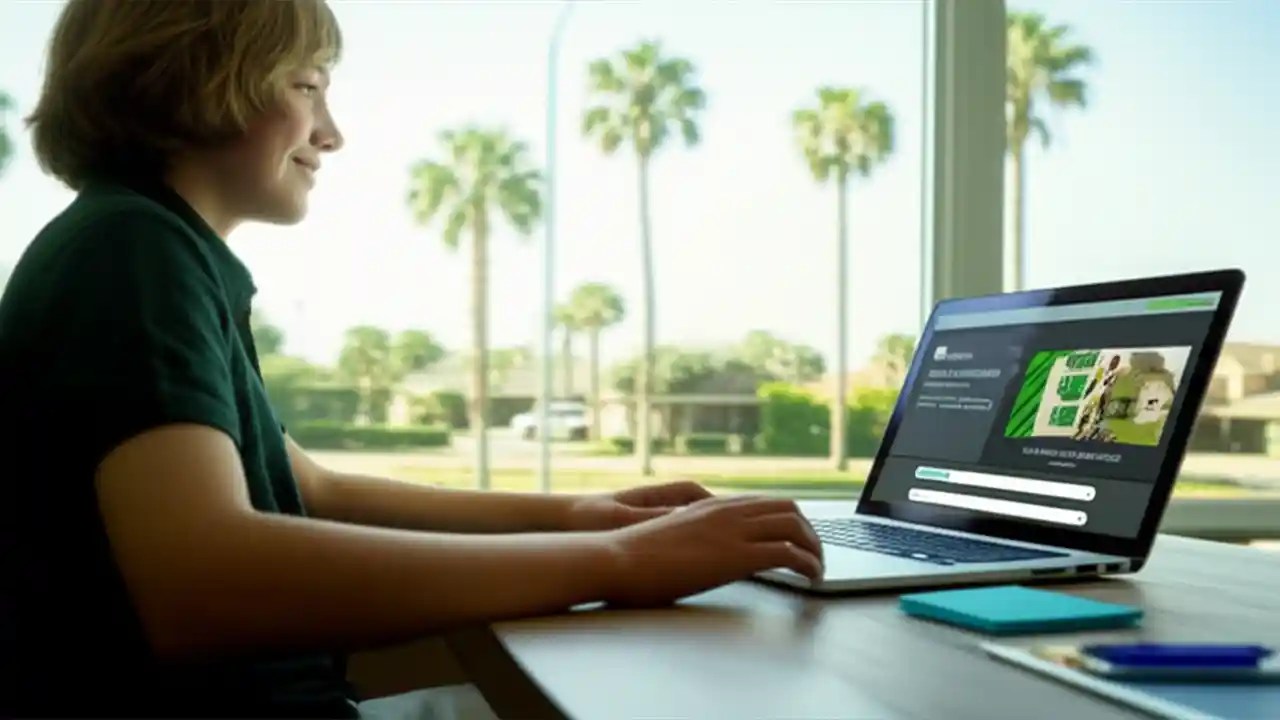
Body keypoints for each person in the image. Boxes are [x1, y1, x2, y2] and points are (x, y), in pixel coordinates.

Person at [0, 1, 824, 718]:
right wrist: (621, 562)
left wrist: (585, 515)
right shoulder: (133, 252)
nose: (331, 131)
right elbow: (204, 579)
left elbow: (315, 493)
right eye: (307, 85)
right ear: (197, 73)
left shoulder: (149, 246)